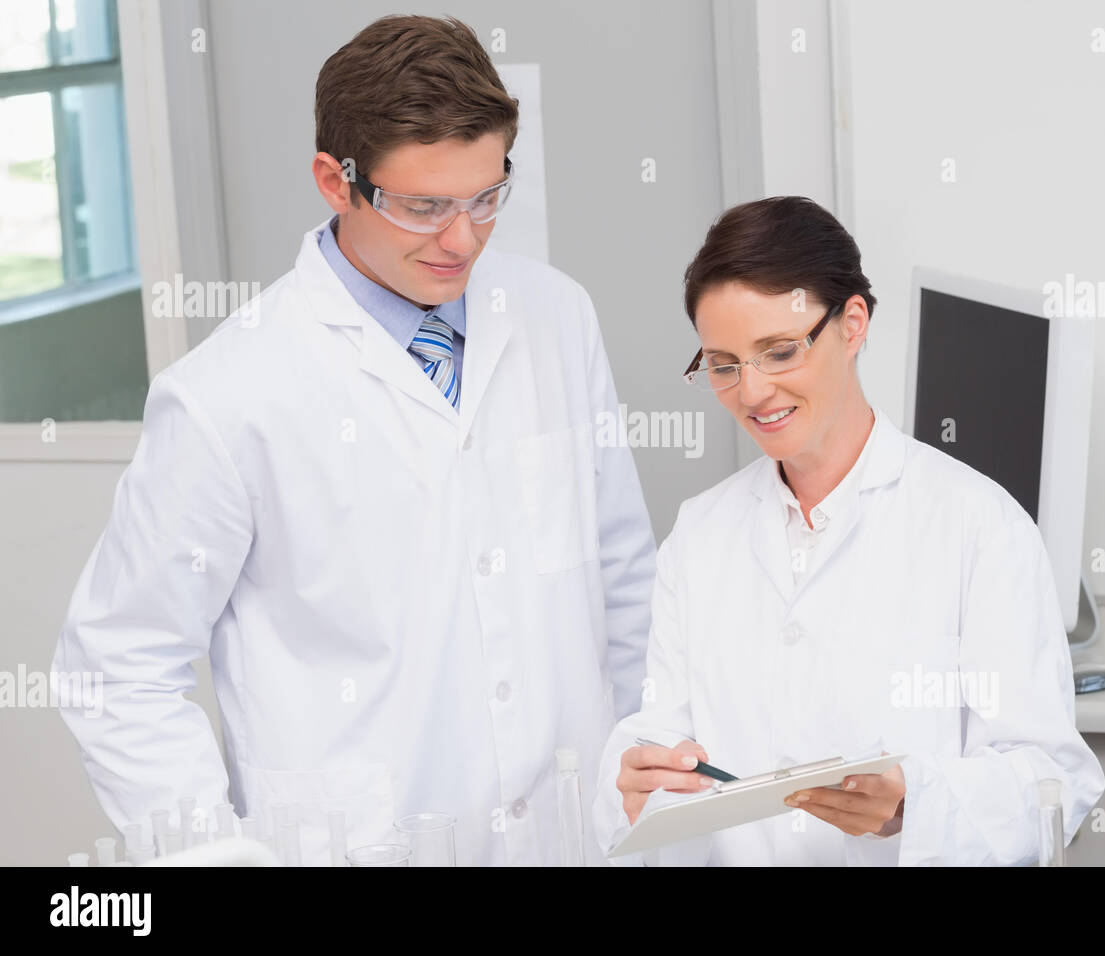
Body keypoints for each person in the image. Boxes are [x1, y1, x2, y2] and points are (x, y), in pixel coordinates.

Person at [51, 15, 656, 866]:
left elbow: (623, 573)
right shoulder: (227, 396)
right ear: (336, 182)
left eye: (487, 197)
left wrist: (644, 782)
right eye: (424, 207)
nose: (463, 238)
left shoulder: (556, 315)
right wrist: (214, 855)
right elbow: (116, 667)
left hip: (573, 840)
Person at [593, 196, 1104, 865]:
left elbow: (1052, 781)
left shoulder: (980, 527)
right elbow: (662, 732)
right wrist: (639, 774)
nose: (750, 393)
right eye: (723, 363)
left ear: (852, 323)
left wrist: (911, 801)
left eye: (778, 352)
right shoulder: (701, 534)